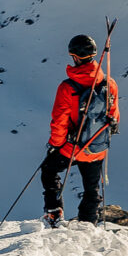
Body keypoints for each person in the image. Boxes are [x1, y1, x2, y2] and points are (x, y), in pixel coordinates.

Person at [42, 33, 118, 226]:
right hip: (97, 146)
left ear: (74, 57)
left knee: (49, 170)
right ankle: (88, 224)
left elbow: (59, 122)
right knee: (91, 188)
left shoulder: (68, 88)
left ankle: (54, 213)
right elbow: (114, 116)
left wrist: (55, 145)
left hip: (74, 148)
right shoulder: (109, 84)